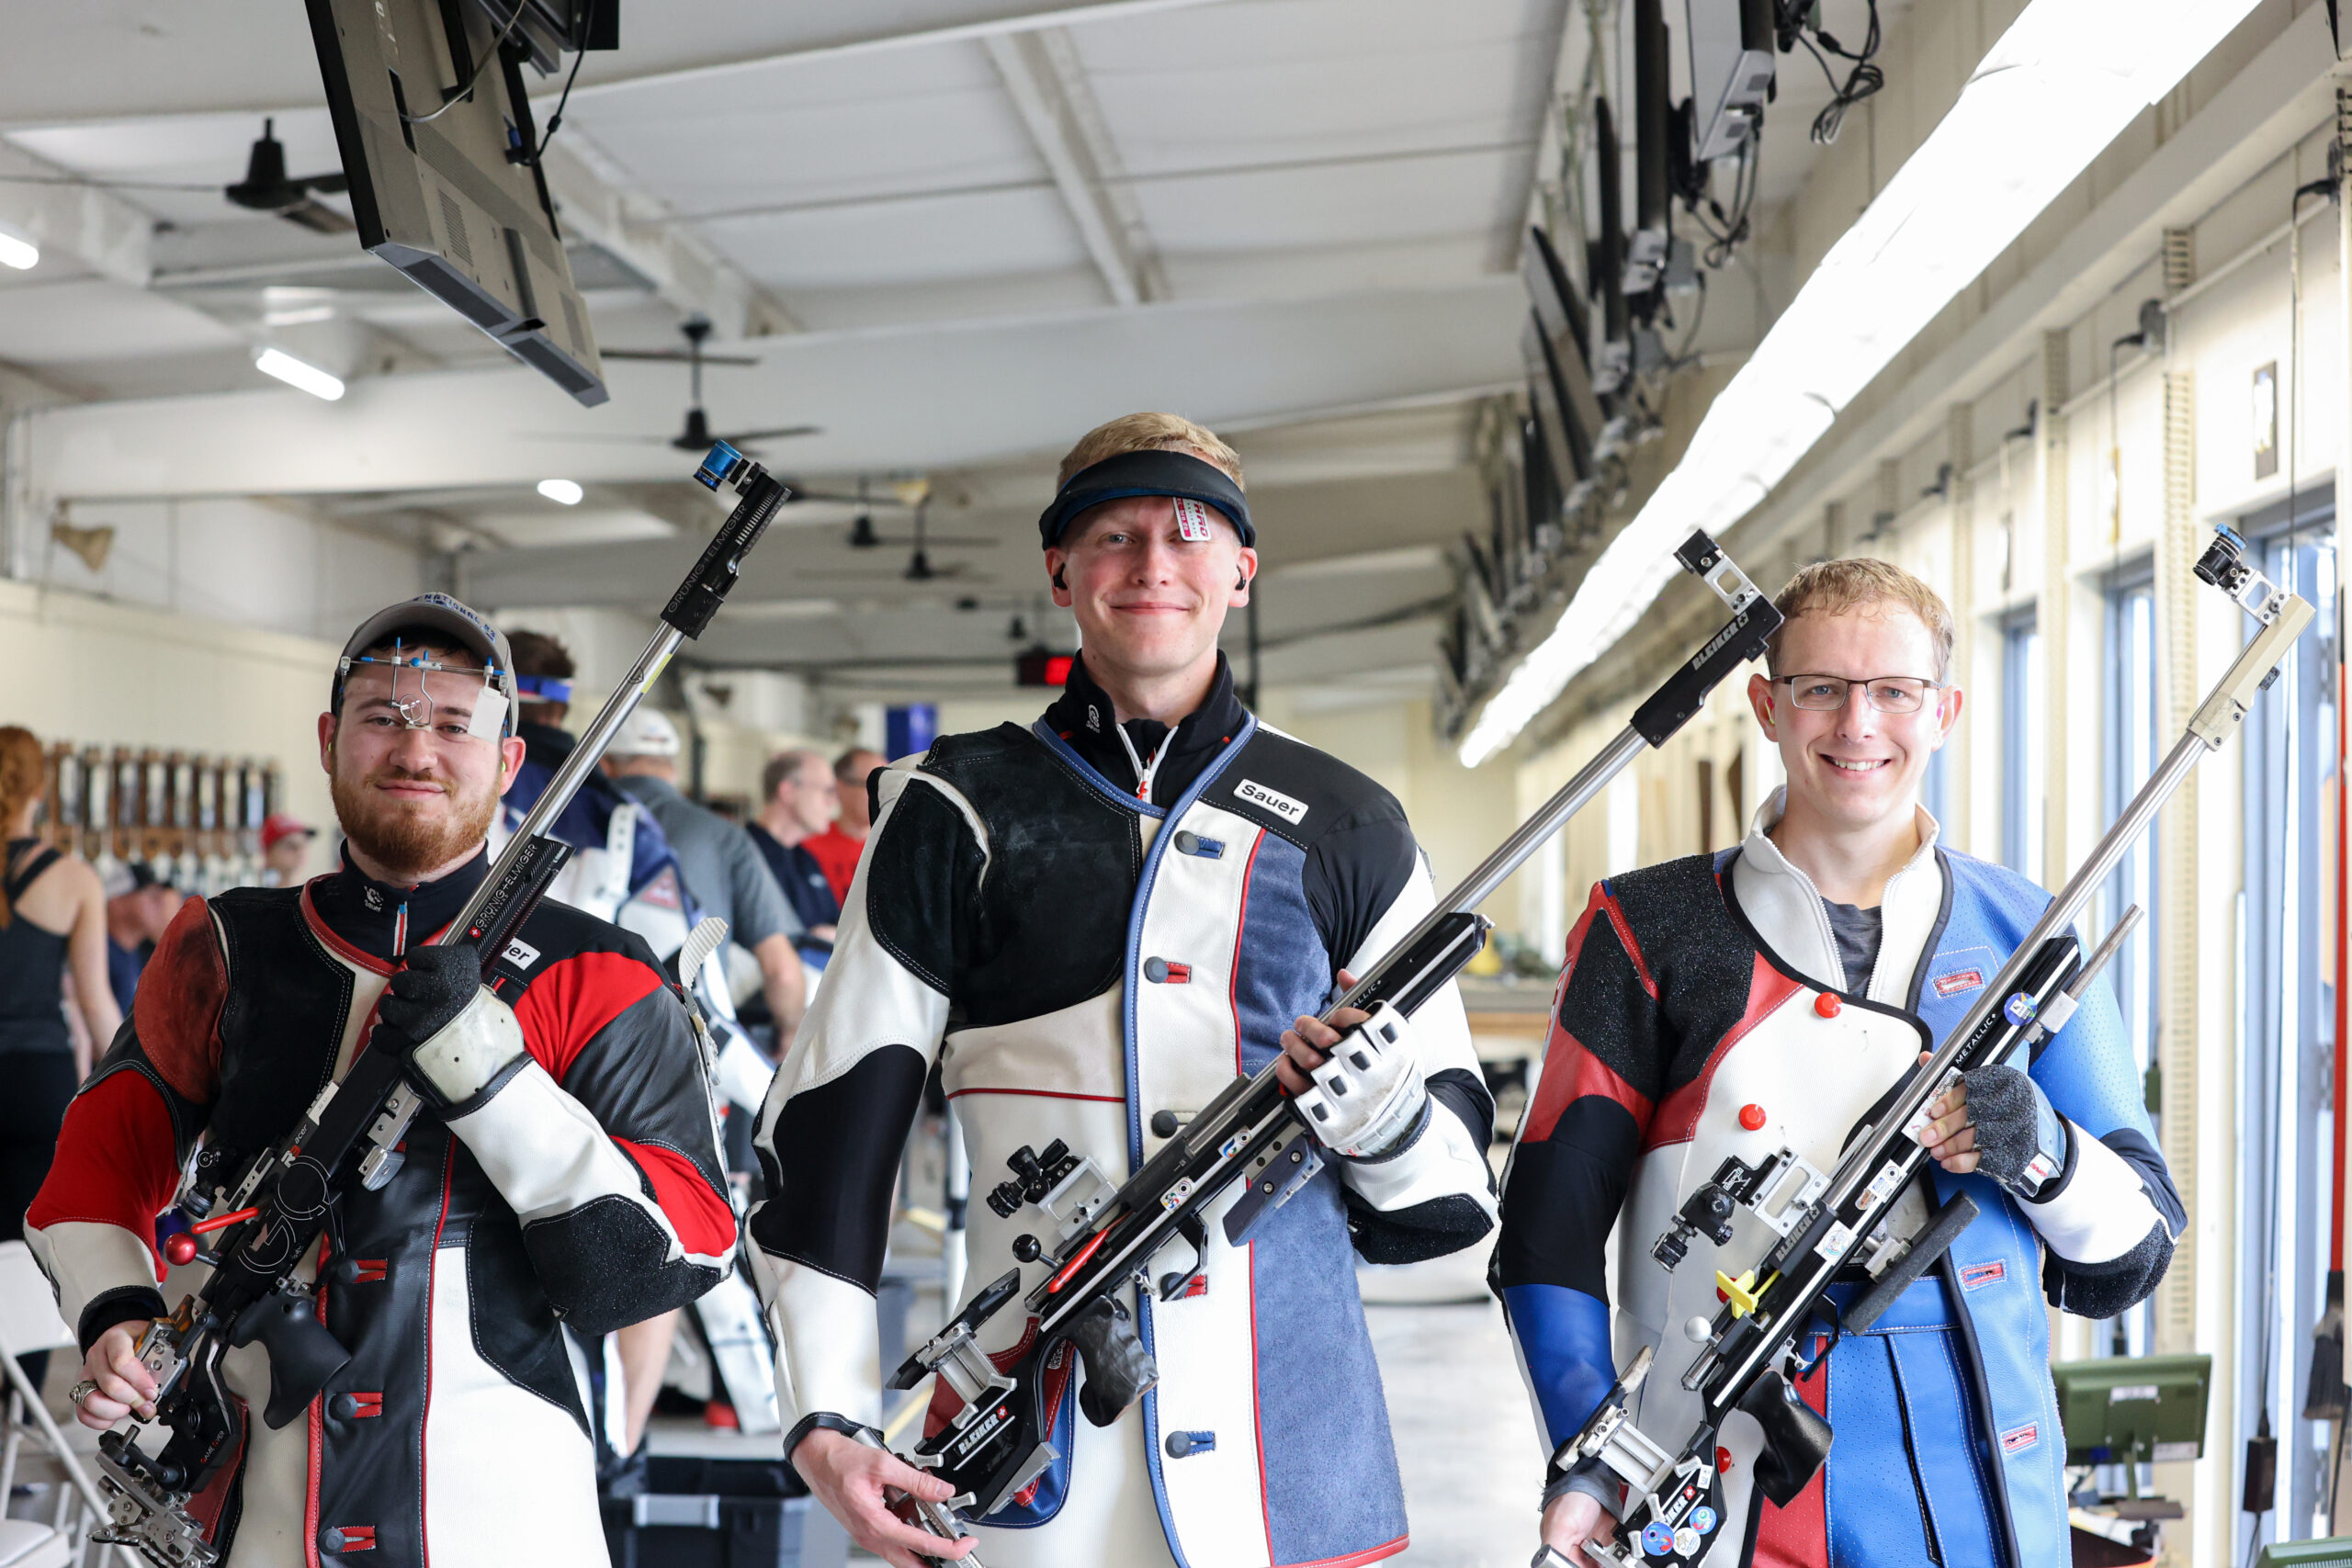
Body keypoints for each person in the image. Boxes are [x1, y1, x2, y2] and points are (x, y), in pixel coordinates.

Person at [754, 412, 1498, 1568]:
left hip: (1293, 1458)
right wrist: (825, 1415)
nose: (1153, 563)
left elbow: (1448, 1204)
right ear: (1059, 570)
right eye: (1113, 534)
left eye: (1189, 532)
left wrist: (1385, 1115)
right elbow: (829, 1131)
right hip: (1025, 1430)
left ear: (1242, 571)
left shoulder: (1352, 822)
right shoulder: (954, 806)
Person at [1499, 559, 2182, 1567]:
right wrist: (1594, 1460)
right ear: (1766, 706)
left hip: (1990, 1504)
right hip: (1734, 1492)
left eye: (1892, 692)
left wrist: (2044, 1151)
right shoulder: (1646, 929)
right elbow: (1545, 1241)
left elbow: (2135, 1250)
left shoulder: (2028, 932)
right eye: (1821, 688)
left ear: (1941, 709)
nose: (1857, 725)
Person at [31, 593, 735, 1567]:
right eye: (384, 719)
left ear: (509, 762)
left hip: (504, 1513)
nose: (416, 752)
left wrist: (493, 1079)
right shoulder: (225, 945)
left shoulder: (601, 973)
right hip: (251, 1506)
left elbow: (669, 1257)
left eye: (454, 724)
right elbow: (93, 1174)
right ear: (329, 741)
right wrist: (116, 1312)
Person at [602, 710, 807, 1039]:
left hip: (585, 1040)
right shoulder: (724, 836)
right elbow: (781, 971)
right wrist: (789, 1035)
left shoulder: (565, 827)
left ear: (605, 765)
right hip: (694, 1040)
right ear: (673, 769)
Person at [0, 725, 119, 1292]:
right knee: (25, 1258)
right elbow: (97, 1007)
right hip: (35, 1081)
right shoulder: (73, 880)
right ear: (40, 792)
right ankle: (18, 1384)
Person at [746, 749, 842, 956]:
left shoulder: (806, 859)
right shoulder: (743, 854)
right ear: (787, 791)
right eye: (826, 791)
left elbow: (840, 928)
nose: (832, 802)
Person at [798, 747, 881, 906]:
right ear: (841, 787)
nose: (881, 794)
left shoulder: (897, 848)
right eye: (872, 785)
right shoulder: (807, 846)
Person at [102, 860, 181, 1017]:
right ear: (117, 902)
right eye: (151, 895)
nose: (159, 903)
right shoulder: (101, 956)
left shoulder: (135, 953)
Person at [258, 812, 313, 886]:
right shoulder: (260, 895)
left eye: (303, 845)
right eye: (291, 846)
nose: (300, 852)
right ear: (270, 853)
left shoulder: (317, 893)